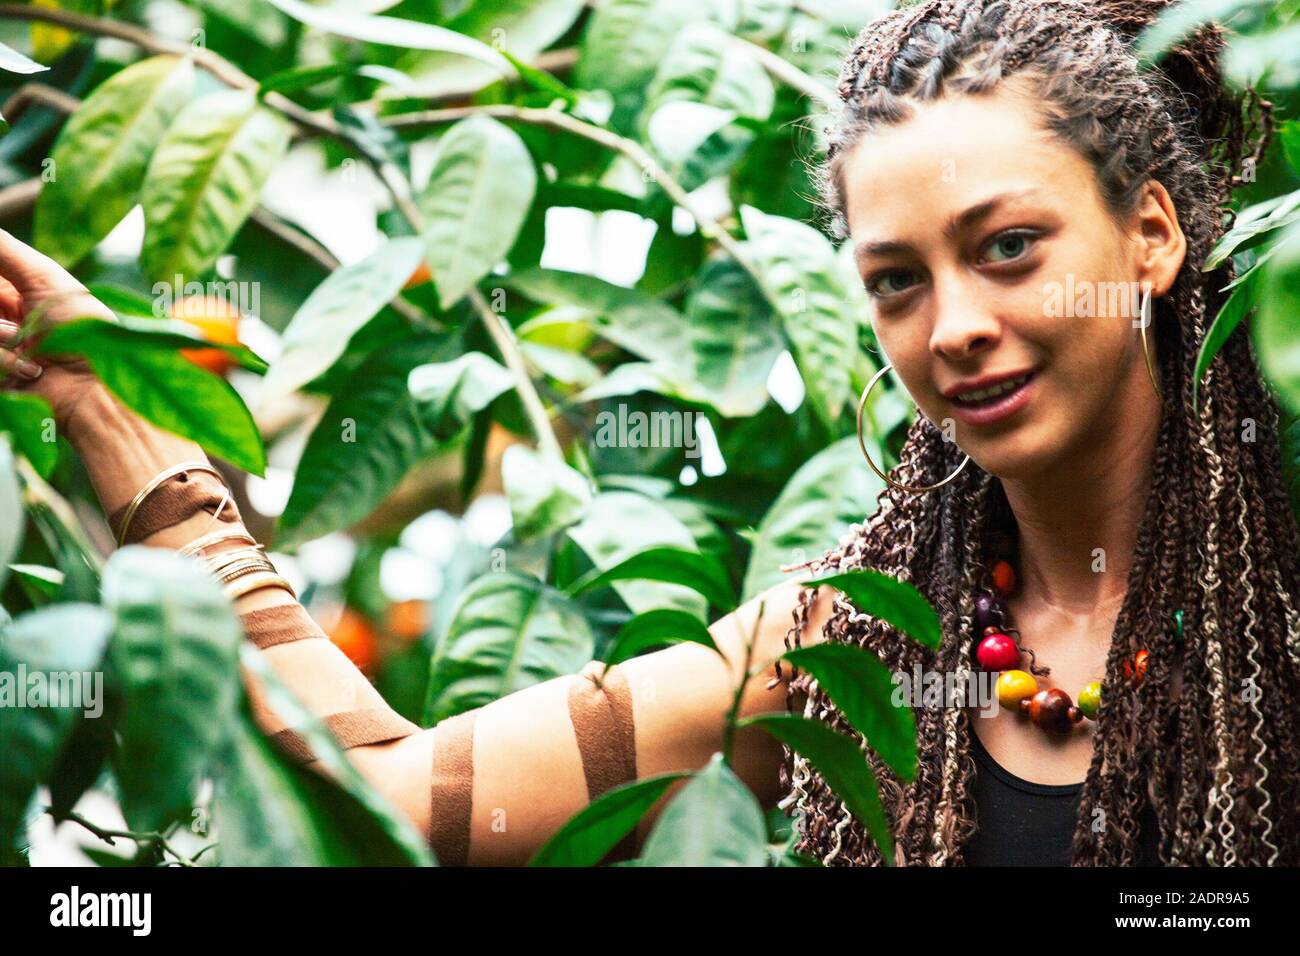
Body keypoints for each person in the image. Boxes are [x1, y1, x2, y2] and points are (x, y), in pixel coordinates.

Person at [2, 0, 1297, 867]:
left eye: (1009, 249)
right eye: (896, 279)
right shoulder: (837, 651)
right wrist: (116, 417)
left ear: (1152, 234)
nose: (952, 325)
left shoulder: (1280, 603)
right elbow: (387, 809)